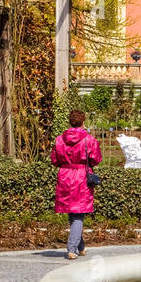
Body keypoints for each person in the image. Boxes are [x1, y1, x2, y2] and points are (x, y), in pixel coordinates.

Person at [51, 109, 102, 260]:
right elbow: (96, 159)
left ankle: (81, 246)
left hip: (65, 176)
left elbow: (54, 160)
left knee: (73, 212)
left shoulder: (60, 140)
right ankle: (72, 248)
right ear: (83, 122)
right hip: (81, 177)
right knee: (78, 214)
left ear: (69, 121)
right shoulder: (88, 139)